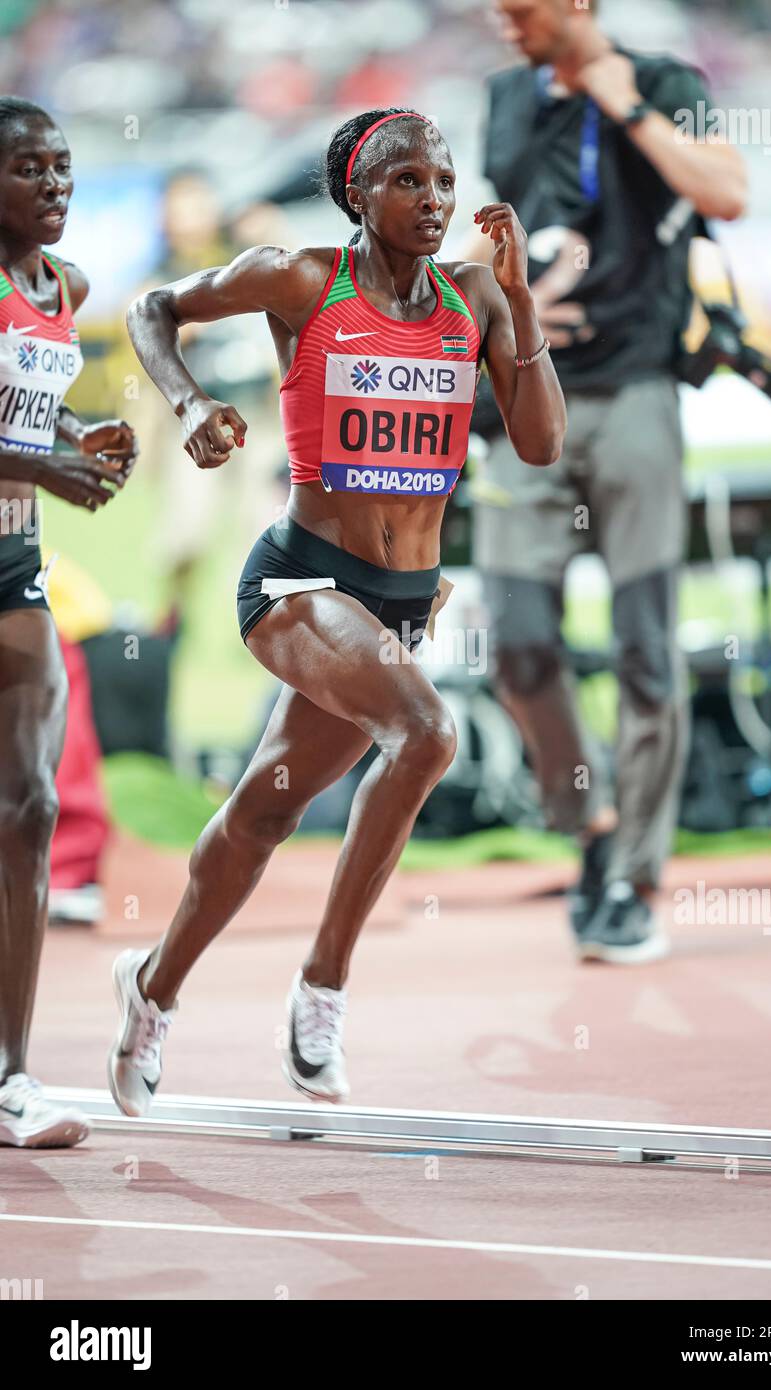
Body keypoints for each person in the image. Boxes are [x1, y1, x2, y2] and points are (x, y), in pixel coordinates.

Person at [112, 107, 565, 1109]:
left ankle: (150, 990)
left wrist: (523, 304)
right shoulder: (303, 279)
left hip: (398, 603)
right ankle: (322, 987)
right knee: (426, 732)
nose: (434, 200)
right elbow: (153, 309)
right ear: (357, 193)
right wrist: (189, 405)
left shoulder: (476, 297)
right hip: (299, 581)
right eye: (407, 181)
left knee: (267, 807)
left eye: (442, 181)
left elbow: (538, 444)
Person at [470, 0, 748, 962]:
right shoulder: (504, 99)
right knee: (518, 644)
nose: (502, 23)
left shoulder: (667, 82)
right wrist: (508, 298)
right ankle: (588, 827)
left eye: (519, 8)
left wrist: (625, 105)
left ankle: (633, 877)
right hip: (526, 401)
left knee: (643, 649)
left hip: (636, 395)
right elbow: (492, 240)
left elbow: (726, 191)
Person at [0, 96, 136, 1147]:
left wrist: (91, 438)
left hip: (13, 562)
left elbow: (34, 414)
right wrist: (51, 462)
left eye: (63, 166)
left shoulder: (66, 287)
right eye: (29, 168)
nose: (54, 184)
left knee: (30, 806)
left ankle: (9, 1078)